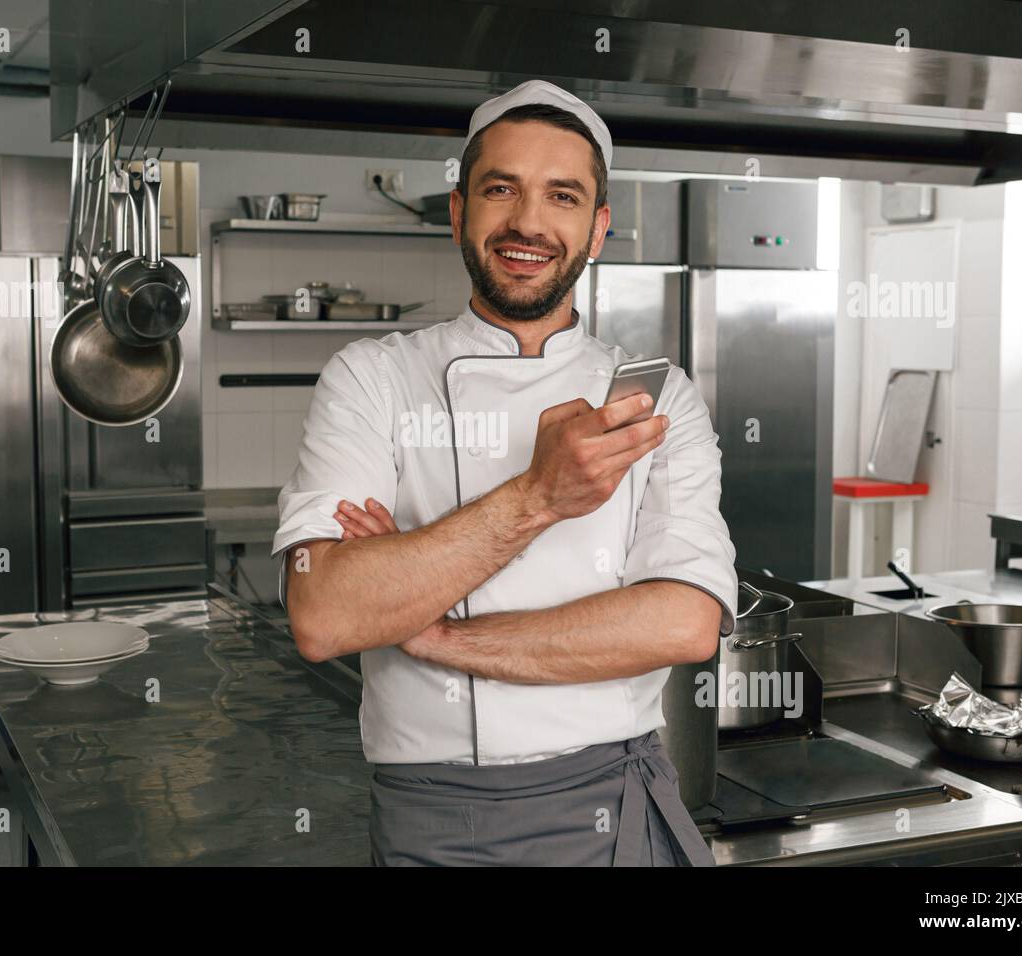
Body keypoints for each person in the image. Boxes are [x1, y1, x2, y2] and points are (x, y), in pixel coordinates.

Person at [272, 79, 737, 866]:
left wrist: (428, 631)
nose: (528, 222)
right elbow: (323, 615)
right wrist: (538, 496)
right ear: (459, 211)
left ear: (596, 230)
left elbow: (683, 623)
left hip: (615, 803)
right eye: (500, 190)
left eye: (562, 196)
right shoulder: (372, 379)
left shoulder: (652, 397)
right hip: (433, 817)